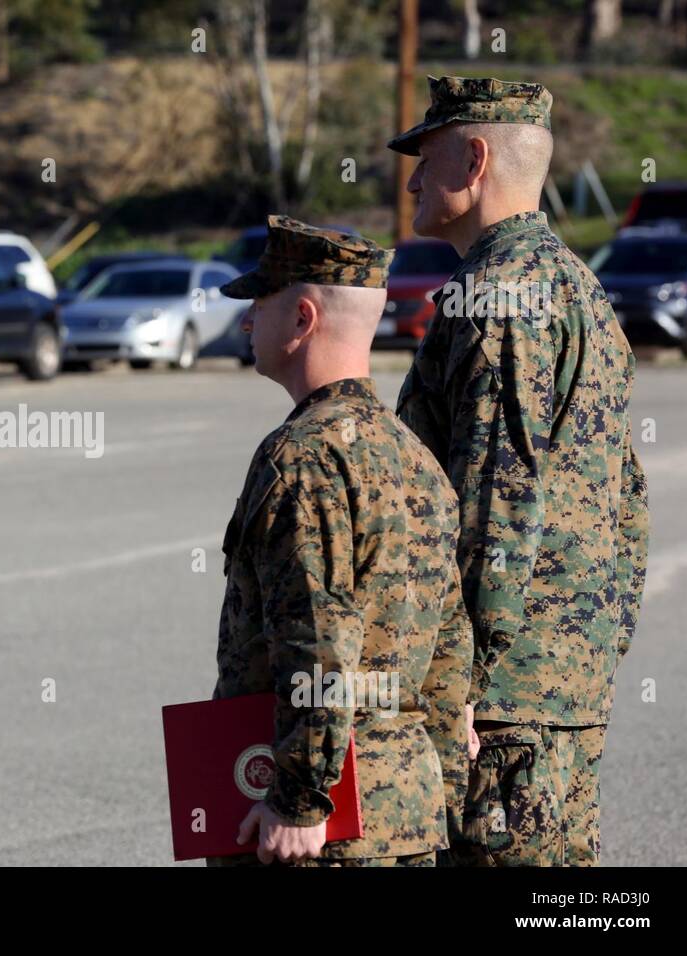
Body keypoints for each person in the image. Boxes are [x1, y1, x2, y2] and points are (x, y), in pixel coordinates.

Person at [389, 76, 650, 866]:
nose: (410, 181)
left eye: (424, 159)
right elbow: (627, 505)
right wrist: (597, 654)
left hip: (500, 705)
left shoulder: (497, 299)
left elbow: (497, 503)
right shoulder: (582, 289)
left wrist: (464, 682)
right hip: (562, 687)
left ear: (473, 160)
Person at [210, 216, 472, 867]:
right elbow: (448, 653)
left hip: (323, 830)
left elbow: (317, 640)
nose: (247, 323)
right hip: (405, 818)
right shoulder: (414, 456)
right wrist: (446, 801)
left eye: (258, 306)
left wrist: (298, 799)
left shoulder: (303, 457)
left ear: (302, 318)